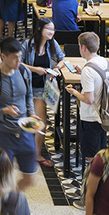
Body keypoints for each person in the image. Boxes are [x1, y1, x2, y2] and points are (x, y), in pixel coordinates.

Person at [0, 37, 37, 191]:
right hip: (3, 136)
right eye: (15, 58)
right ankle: (5, 202)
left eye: (20, 56)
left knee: (29, 179)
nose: (19, 61)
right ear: (3, 57)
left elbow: (28, 96)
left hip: (25, 133)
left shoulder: (24, 72)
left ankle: (10, 197)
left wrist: (32, 114)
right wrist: (4, 111)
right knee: (1, 181)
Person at [22, 19, 68, 167]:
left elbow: (63, 58)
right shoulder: (27, 45)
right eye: (49, 29)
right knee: (39, 122)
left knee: (40, 122)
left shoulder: (52, 44)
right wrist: (35, 69)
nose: (51, 32)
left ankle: (33, 153)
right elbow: (17, 63)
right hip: (28, 88)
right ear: (40, 29)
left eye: (53, 30)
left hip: (44, 88)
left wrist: (57, 69)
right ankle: (33, 154)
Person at [65, 31, 109, 170]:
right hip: (103, 115)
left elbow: (88, 99)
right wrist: (82, 72)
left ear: (83, 47)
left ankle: (95, 187)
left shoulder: (88, 70)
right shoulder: (104, 61)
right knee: (101, 154)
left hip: (90, 117)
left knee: (93, 159)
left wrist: (74, 92)